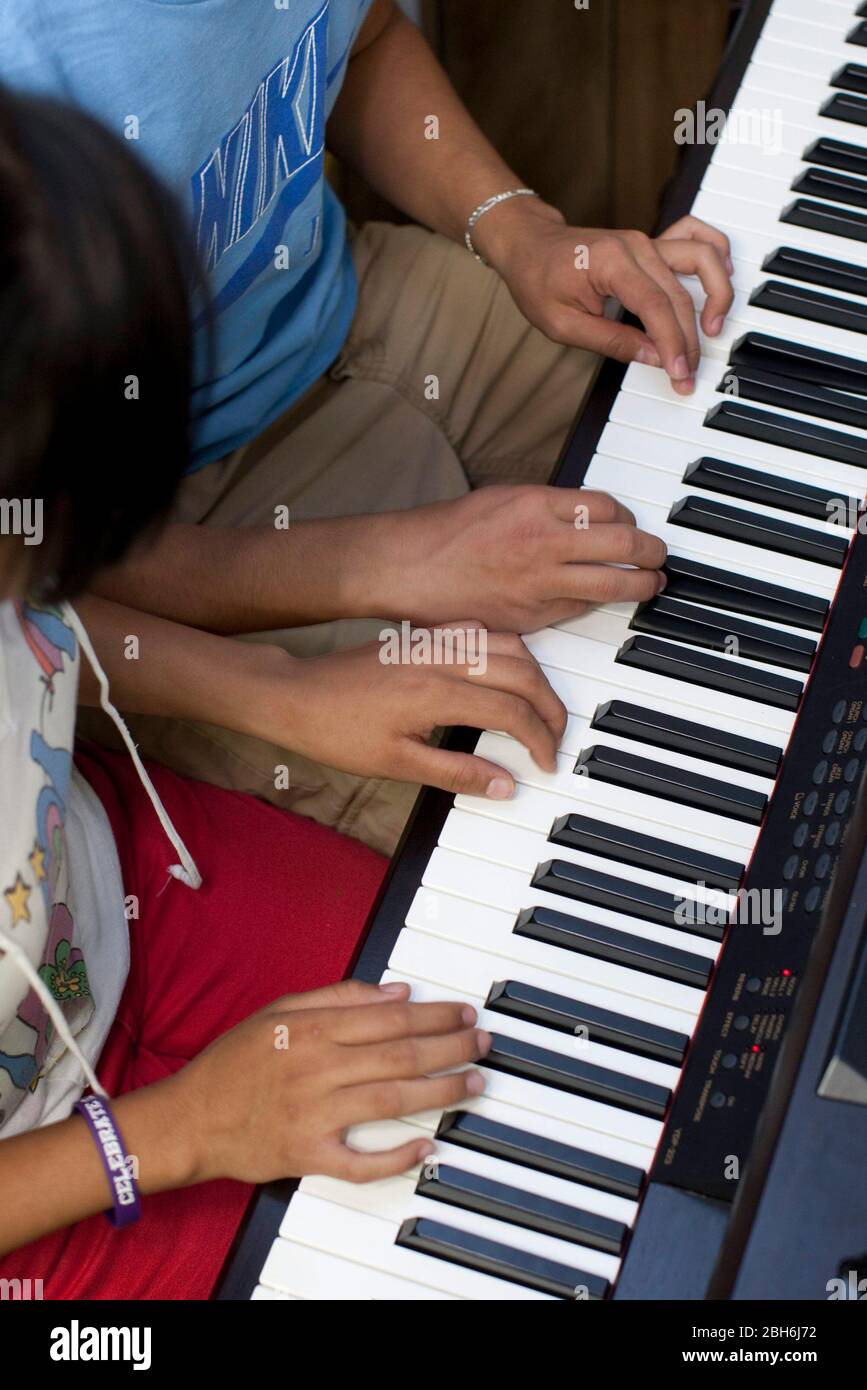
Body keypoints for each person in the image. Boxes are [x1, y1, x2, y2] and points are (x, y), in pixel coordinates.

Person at [1, 0, 734, 855]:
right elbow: (30, 580)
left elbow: (365, 32)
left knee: (731, 435)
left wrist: (517, 229)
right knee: (566, 817)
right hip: (139, 541)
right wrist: (313, 654)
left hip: (348, 306)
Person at [0, 89, 494, 1300]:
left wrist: (281, 691)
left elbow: (47, 622)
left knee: (494, 1012)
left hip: (109, 898)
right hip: (33, 1206)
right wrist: (180, 1132)